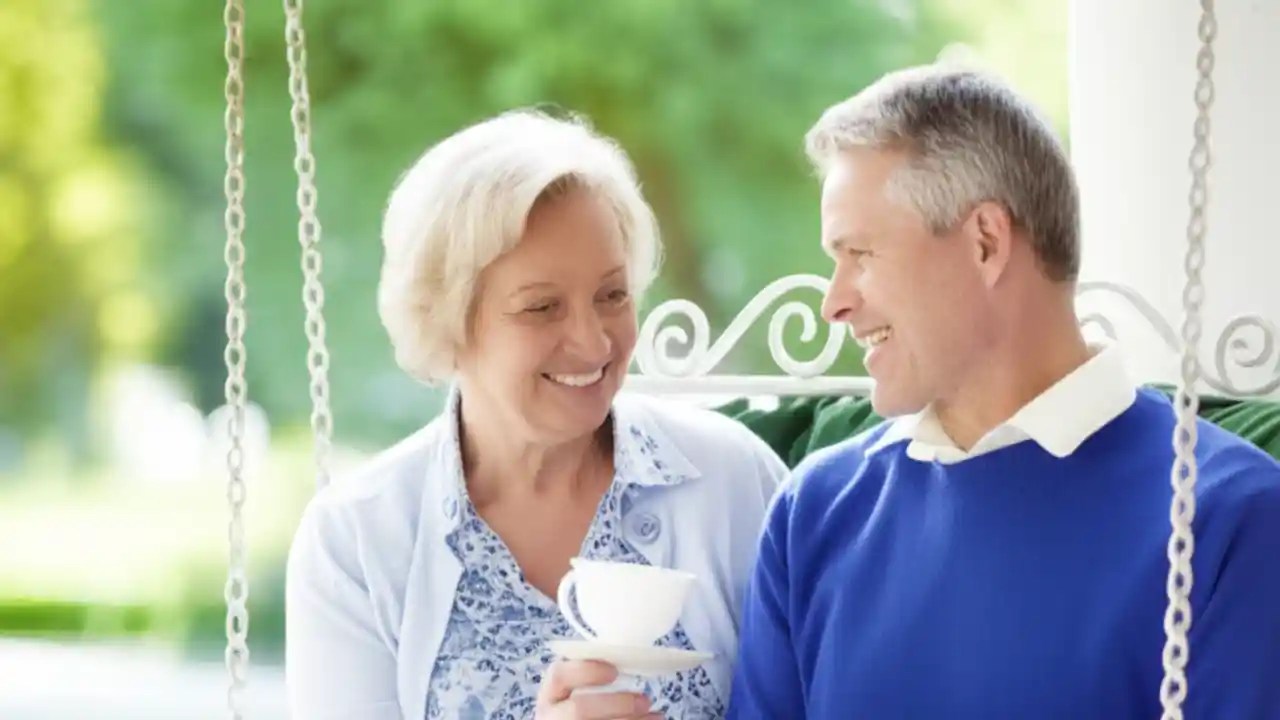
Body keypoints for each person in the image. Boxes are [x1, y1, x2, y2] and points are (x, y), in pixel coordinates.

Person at [727, 65, 1280, 719]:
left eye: (861, 255)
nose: (834, 303)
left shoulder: (1230, 517)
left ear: (986, 242)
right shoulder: (812, 513)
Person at [284, 109, 787, 720]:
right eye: (542, 307)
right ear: (449, 320)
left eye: (612, 295)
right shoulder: (356, 538)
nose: (595, 343)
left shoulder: (736, 480)